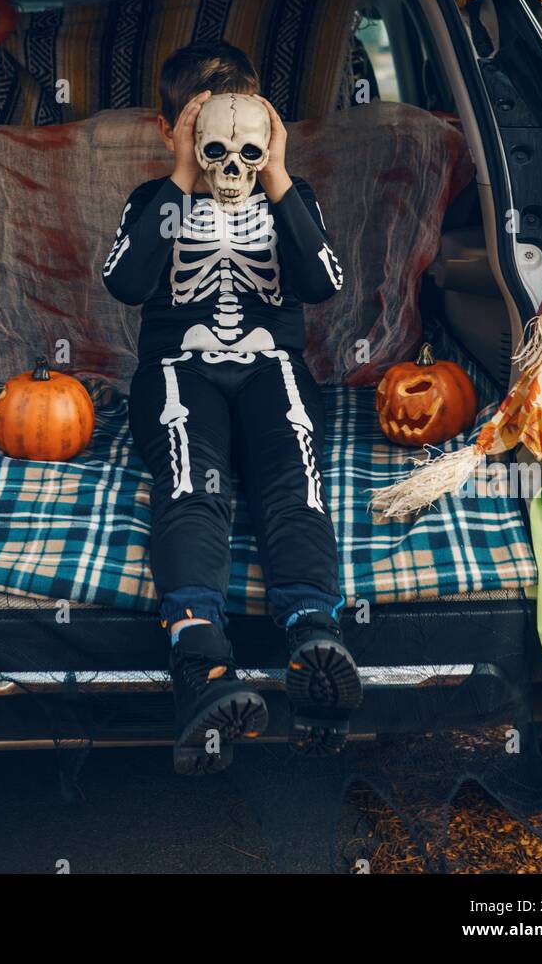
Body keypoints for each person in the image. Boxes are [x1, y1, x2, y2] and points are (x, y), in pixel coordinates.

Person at [102, 42, 361, 773]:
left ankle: (315, 634)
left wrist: (277, 175)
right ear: (169, 132)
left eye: (246, 145)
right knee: (192, 480)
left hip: (271, 365)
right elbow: (127, 283)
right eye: (209, 144)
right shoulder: (153, 202)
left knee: (293, 477)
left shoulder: (289, 196)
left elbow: (320, 282)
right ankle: (200, 662)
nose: (231, 166)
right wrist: (183, 177)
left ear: (268, 131)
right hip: (180, 363)